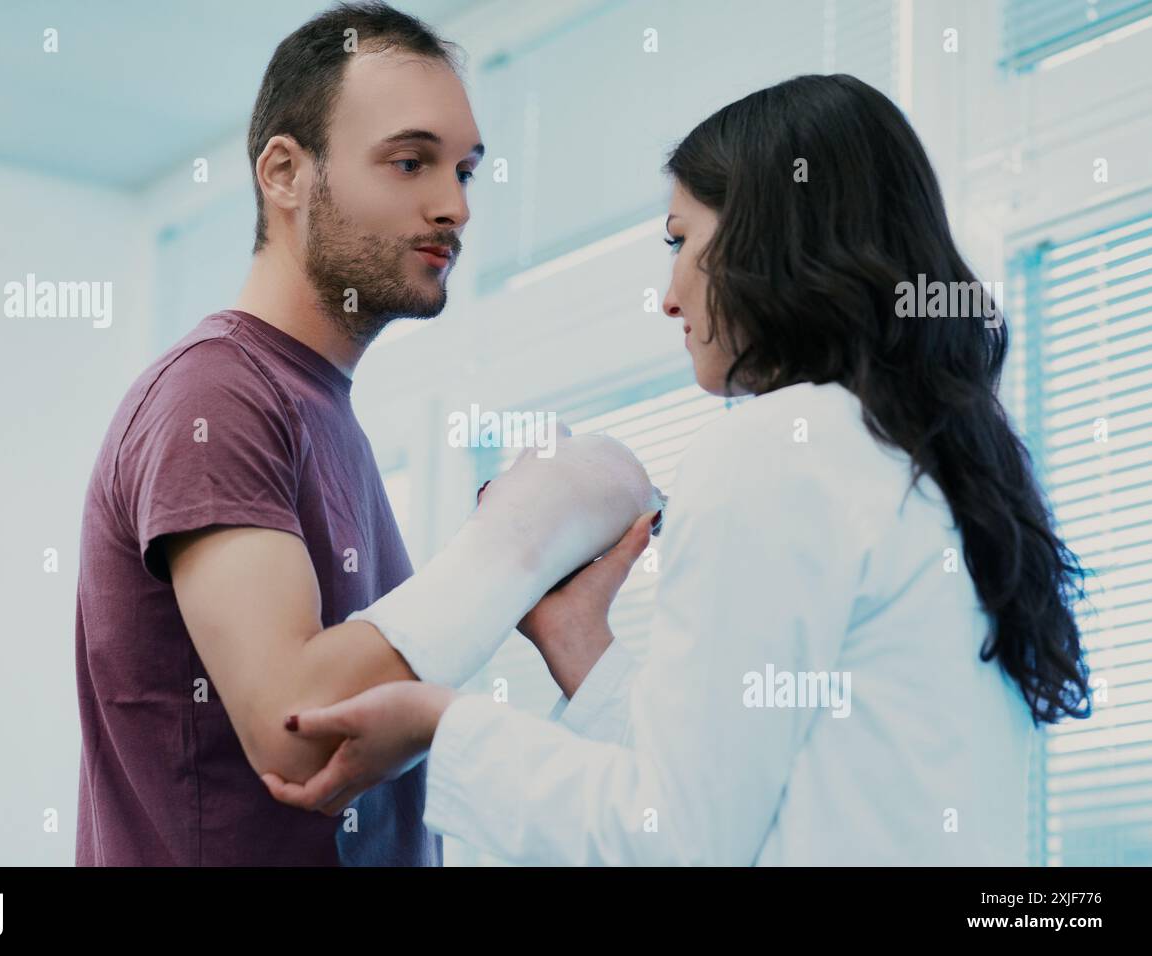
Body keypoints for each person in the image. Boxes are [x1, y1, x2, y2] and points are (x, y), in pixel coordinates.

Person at [261, 74, 1093, 865]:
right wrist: (581, 642)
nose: (667, 296)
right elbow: (740, 791)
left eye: (680, 241)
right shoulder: (935, 469)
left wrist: (437, 727)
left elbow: (672, 841)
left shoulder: (779, 447)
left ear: (771, 241)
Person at [75, 1, 522, 866]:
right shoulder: (218, 394)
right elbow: (301, 736)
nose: (454, 205)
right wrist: (520, 539)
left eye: (465, 170)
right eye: (409, 161)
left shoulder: (320, 409)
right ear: (283, 172)